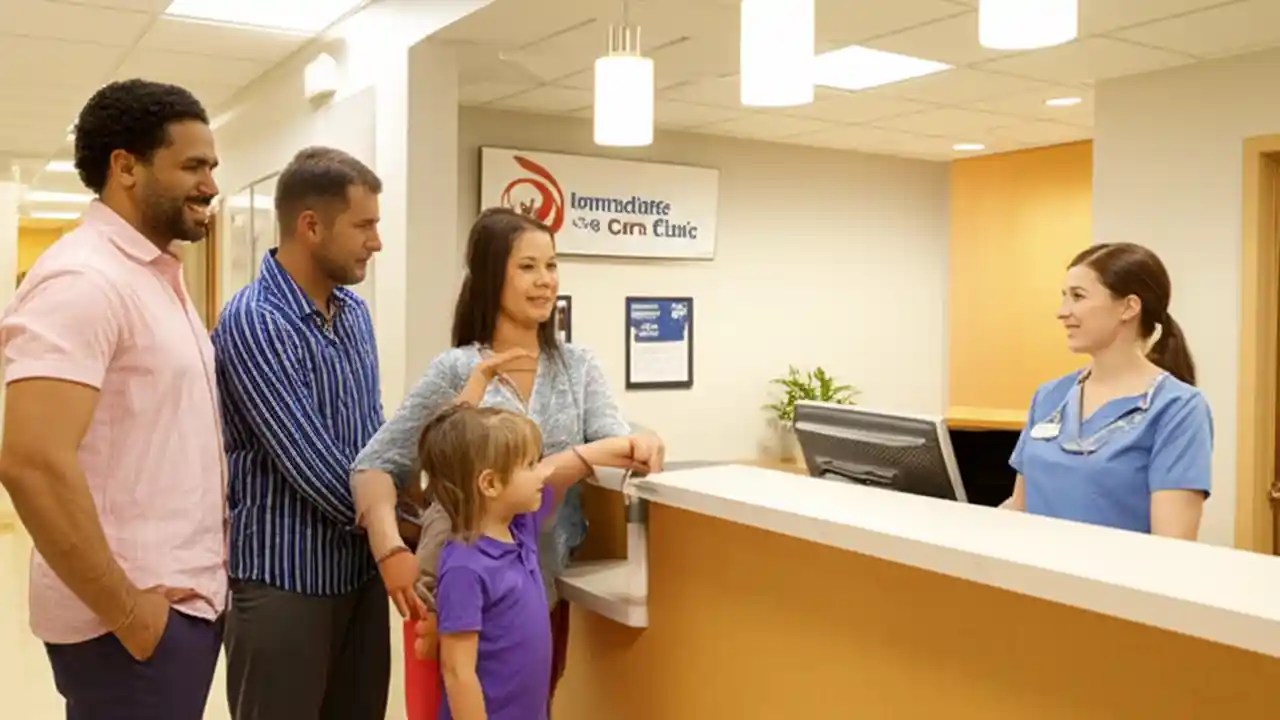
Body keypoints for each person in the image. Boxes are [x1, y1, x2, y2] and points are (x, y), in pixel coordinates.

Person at [350, 207, 665, 715]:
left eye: (552, 266)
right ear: (492, 274)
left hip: (537, 595)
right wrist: (391, 555)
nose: (546, 282)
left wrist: (640, 440)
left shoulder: (577, 367)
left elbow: (614, 444)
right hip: (457, 594)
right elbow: (376, 463)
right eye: (528, 267)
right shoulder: (459, 369)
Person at [0, 78, 225, 719]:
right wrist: (129, 613)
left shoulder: (150, 275)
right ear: (124, 167)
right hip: (126, 626)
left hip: (178, 611)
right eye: (192, 166)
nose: (210, 184)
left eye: (211, 166)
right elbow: (31, 462)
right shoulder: (83, 279)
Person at [211, 147, 388, 719]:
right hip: (287, 584)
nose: (376, 242)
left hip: (359, 578)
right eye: (364, 225)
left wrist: (400, 497)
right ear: (310, 225)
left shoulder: (355, 315)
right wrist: (396, 527)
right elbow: (312, 466)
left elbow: (373, 436)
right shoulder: (254, 320)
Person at [421, 404, 649, 720]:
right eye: (529, 465)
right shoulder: (465, 569)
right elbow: (458, 671)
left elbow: (559, 470)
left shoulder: (520, 528)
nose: (542, 471)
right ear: (490, 484)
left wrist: (620, 446)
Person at [1001, 242, 1212, 539]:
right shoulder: (1050, 396)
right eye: (1064, 297)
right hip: (1032, 579)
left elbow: (1172, 545)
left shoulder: (1178, 409)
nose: (1062, 312)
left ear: (1128, 307)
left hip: (1114, 582)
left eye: (1077, 296)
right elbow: (1019, 508)